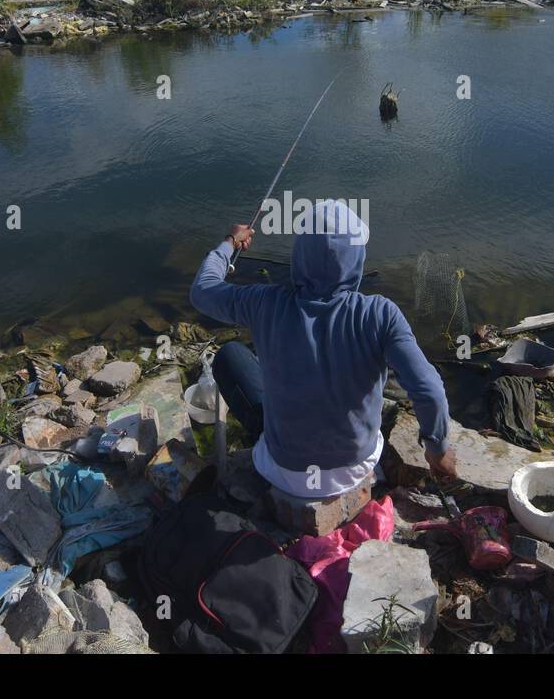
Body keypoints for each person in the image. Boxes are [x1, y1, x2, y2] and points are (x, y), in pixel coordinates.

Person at [190, 200, 456, 499]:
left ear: (300, 254)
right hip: (354, 468)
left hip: (284, 471)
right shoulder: (381, 314)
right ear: (357, 256)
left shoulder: (265, 302)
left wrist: (230, 244)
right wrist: (437, 450)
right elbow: (429, 389)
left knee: (231, 356)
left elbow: (202, 290)